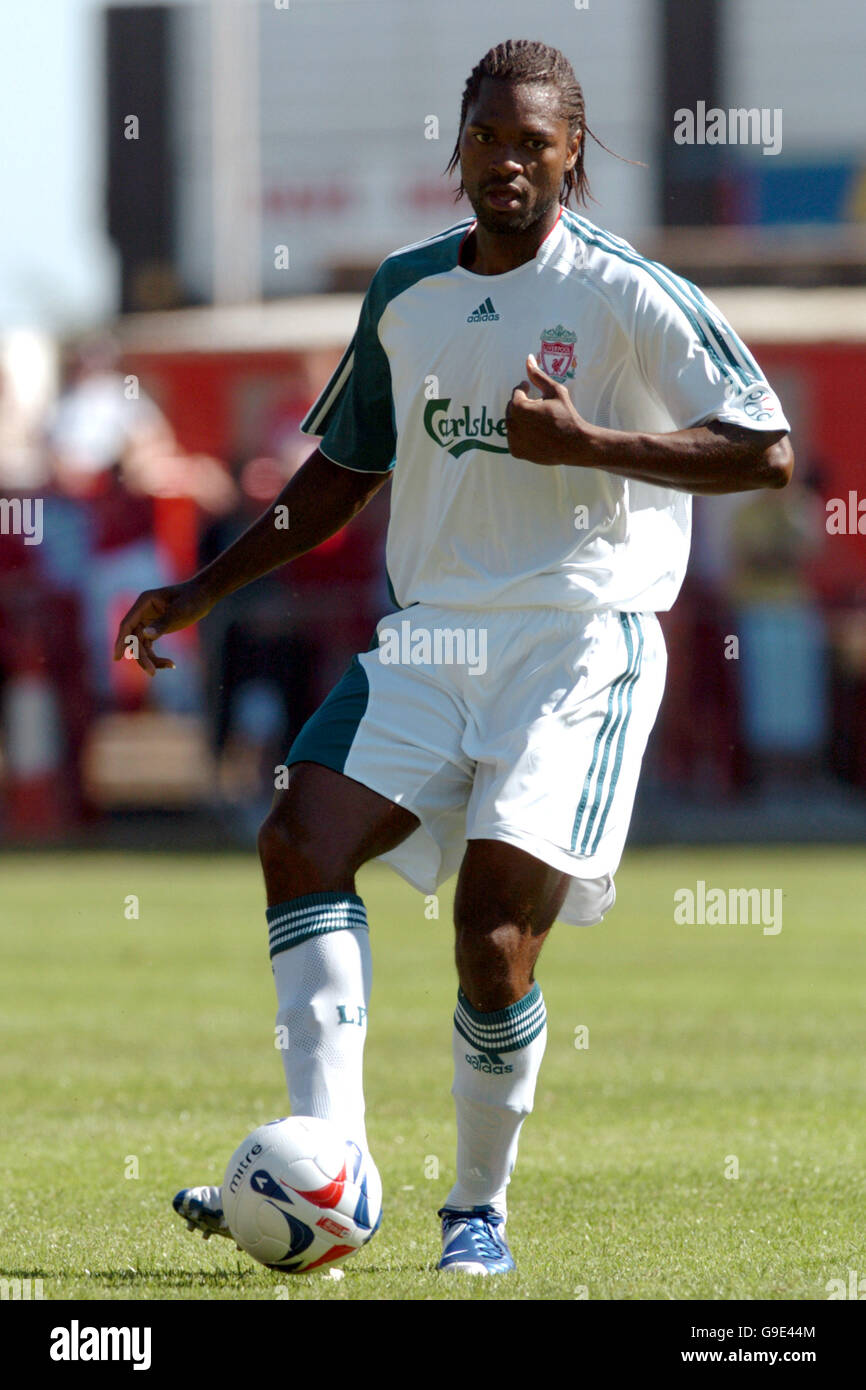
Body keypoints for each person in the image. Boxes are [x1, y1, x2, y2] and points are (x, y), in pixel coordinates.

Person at [114, 40, 793, 1276]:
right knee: (297, 839)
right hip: (429, 639)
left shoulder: (625, 289)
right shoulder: (407, 290)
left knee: (491, 931)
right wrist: (202, 588)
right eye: (487, 137)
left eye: (532, 142)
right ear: (460, 143)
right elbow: (342, 473)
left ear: (569, 153)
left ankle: (474, 1208)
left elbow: (764, 450)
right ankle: (332, 1167)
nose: (506, 163)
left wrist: (584, 441)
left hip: (579, 645)